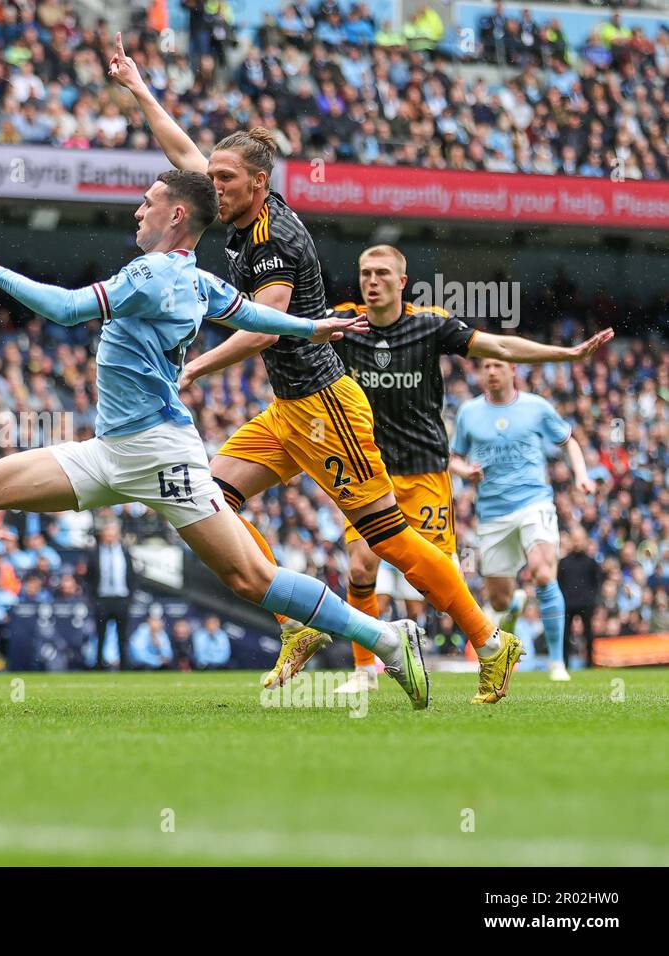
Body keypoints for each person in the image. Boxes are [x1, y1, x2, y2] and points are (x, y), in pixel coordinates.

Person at [0, 170, 431, 709]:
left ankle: (384, 639)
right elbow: (247, 313)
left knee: (251, 579)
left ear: (176, 214)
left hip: (160, 454)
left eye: (148, 202)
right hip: (112, 449)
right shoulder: (193, 277)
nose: (138, 210)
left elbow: (68, 308)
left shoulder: (155, 272)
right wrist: (309, 324)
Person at [109, 36, 522, 704]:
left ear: (258, 185)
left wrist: (196, 369)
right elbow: (182, 152)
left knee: (387, 540)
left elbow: (265, 321)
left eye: (225, 181)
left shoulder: (277, 237)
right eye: (211, 179)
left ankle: (490, 641)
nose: (211, 187)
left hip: (325, 403)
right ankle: (298, 620)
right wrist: (139, 88)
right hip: (287, 409)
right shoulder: (234, 209)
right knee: (208, 502)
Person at [327, 245, 611, 693]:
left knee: (438, 585)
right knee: (361, 569)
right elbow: (287, 330)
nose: (372, 280)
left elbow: (498, 344)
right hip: (366, 469)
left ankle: (493, 645)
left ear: (402, 282)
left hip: (423, 471)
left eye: (382, 273)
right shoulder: (343, 322)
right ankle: (365, 671)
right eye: (365, 273)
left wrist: (566, 355)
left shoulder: (429, 325)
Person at [451, 357, 596, 682]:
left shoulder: (536, 407)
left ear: (513, 370)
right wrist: (465, 471)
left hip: (534, 503)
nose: (490, 371)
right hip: (492, 513)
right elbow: (452, 457)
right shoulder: (469, 413)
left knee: (544, 573)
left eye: (497, 366)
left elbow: (568, 441)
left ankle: (558, 663)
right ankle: (513, 607)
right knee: (499, 599)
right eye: (485, 366)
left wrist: (582, 476)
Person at [87, 522, 135, 669]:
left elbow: (132, 575)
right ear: (102, 535)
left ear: (117, 536)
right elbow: (89, 577)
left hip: (121, 598)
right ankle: (99, 664)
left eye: (112, 534)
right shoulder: (94, 553)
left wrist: (129, 597)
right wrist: (93, 598)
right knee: (100, 634)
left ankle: (124, 665)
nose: (110, 537)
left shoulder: (125, 552)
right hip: (102, 598)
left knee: (123, 635)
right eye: (107, 534)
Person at [558, 528, 602, 666]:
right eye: (574, 539)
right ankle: (564, 664)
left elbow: (596, 584)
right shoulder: (564, 562)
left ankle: (590, 663)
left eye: (579, 539)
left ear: (585, 541)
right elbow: (560, 583)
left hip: (586, 604)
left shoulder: (591, 563)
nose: (577, 542)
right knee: (565, 636)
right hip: (568, 604)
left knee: (588, 635)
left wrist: (592, 601)